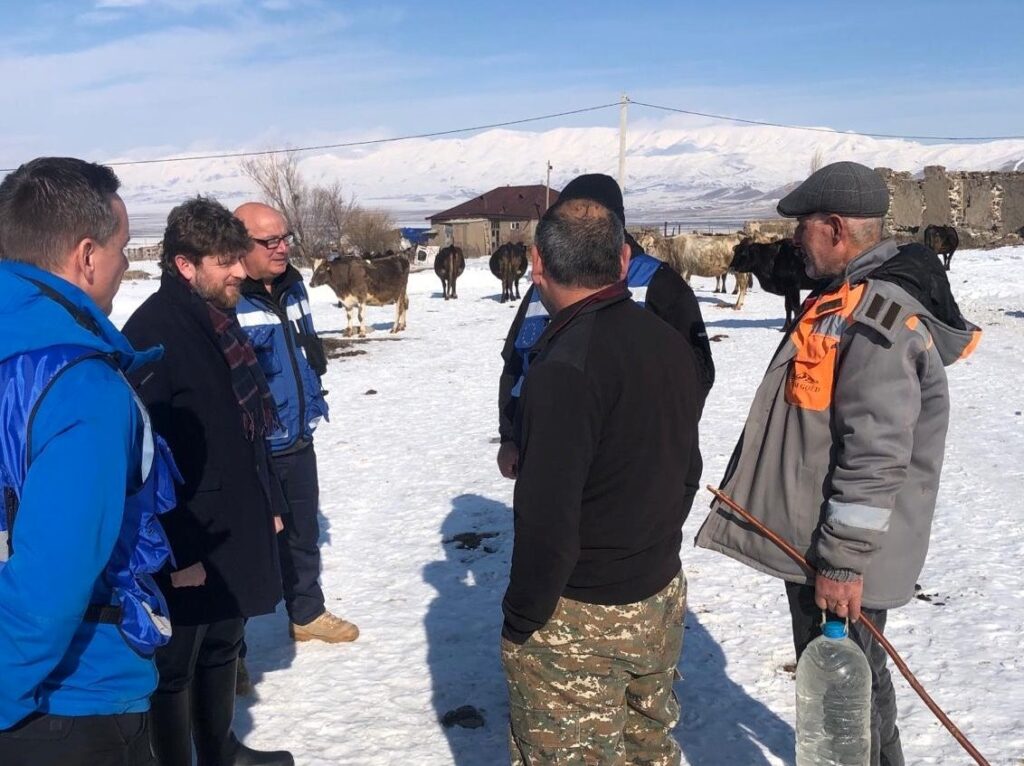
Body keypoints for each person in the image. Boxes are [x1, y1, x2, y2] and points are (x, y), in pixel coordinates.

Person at [695, 161, 982, 766]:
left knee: (846, 696)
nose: (794, 240)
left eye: (802, 227)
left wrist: (845, 563)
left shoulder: (877, 316)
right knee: (856, 687)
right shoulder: (844, 295)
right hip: (815, 541)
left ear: (833, 227)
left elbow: (876, 453)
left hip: (838, 553)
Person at [500, 195, 703, 764]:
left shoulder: (563, 368)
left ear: (537, 265)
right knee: (647, 749)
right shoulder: (666, 340)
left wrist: (522, 619)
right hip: (658, 594)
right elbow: (688, 466)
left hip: (581, 615)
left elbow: (547, 520)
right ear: (621, 261)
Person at [0, 157, 178, 765]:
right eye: (122, 249)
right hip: (64, 704)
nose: (127, 266)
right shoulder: (80, 386)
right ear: (86, 256)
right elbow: (53, 580)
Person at [123, 197, 294, 766]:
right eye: (226, 262)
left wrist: (268, 499)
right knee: (177, 665)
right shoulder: (153, 333)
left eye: (238, 258)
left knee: (223, 642)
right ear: (185, 265)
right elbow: (145, 462)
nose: (240, 272)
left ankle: (220, 750)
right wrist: (179, 552)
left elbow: (244, 428)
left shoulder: (219, 322)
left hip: (232, 520)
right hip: (190, 531)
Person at [496, 173, 713, 480]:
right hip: (546, 457)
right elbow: (515, 366)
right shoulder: (543, 285)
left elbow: (697, 377)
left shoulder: (660, 285)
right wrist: (509, 438)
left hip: (632, 472)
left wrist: (669, 449)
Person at [234, 202, 359, 645]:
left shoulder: (293, 286)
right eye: (269, 241)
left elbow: (303, 350)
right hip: (252, 446)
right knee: (247, 547)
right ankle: (233, 649)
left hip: (298, 432)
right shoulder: (229, 298)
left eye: (284, 238)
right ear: (239, 245)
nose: (282, 247)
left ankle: (306, 613)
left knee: (304, 532)